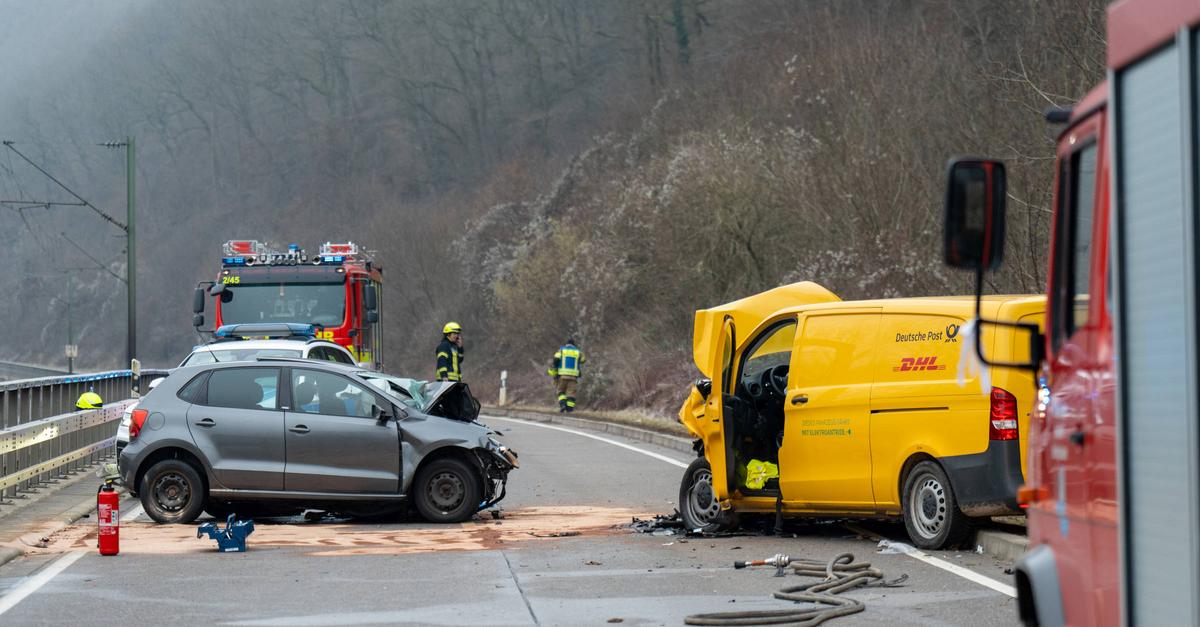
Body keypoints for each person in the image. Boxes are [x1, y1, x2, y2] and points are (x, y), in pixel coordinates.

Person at [547, 338, 585, 412]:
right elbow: (583, 360)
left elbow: (556, 359)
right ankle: (569, 409)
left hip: (562, 375)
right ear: (574, 344)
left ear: (566, 344)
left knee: (561, 391)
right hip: (573, 377)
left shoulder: (561, 350)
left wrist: (556, 369)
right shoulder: (578, 352)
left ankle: (562, 405)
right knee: (571, 393)